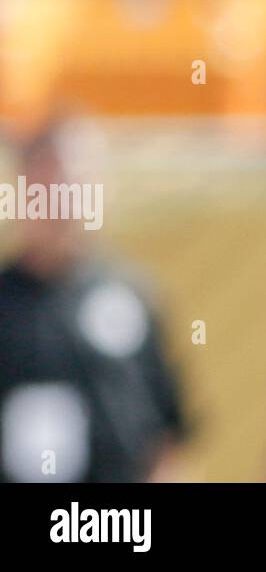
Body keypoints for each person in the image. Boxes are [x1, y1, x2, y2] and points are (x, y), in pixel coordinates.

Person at [0, 117, 191, 482]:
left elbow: (167, 436)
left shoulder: (132, 296)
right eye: (48, 182)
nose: (64, 201)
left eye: (75, 183)